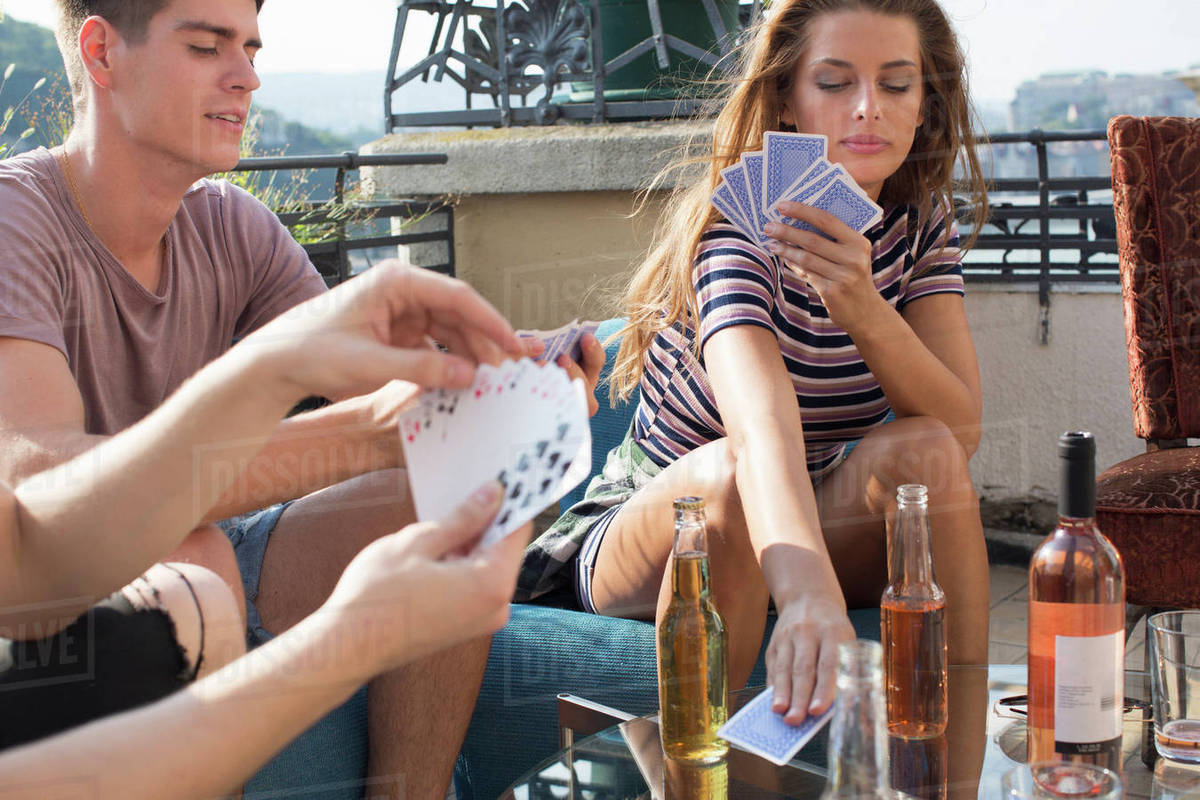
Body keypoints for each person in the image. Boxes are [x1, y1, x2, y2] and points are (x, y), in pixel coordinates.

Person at [0, 0, 603, 795]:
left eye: (250, 48)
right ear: (103, 53)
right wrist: (368, 429)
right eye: (208, 46)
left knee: (455, 482)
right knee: (198, 559)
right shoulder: (18, 219)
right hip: (88, 593)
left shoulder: (235, 227)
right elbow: (37, 492)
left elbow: (390, 378)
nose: (246, 76)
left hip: (229, 544)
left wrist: (505, 381)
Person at [521, 0, 990, 724]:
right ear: (788, 101)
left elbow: (957, 432)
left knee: (926, 454)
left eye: (896, 85)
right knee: (726, 482)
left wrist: (861, 304)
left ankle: (953, 758)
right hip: (664, 530)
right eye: (835, 82)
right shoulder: (739, 228)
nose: (868, 108)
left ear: (926, 104)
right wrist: (808, 596)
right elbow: (760, 437)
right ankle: (721, 775)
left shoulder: (919, 226)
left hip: (811, 507)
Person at [0, 260, 533, 799]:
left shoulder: (228, 218)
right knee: (197, 578)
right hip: (155, 577)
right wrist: (356, 636)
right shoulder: (17, 214)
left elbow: (23, 550)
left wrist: (278, 363)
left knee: (430, 499)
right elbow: (36, 498)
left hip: (193, 557)